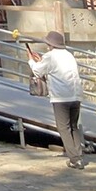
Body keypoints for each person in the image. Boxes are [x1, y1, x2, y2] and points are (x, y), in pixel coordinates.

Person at [28, 31, 86, 169]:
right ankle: (78, 153)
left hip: (61, 96)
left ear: (50, 44)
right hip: (75, 94)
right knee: (73, 126)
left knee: (63, 128)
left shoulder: (50, 56)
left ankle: (74, 159)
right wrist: (41, 60)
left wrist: (31, 60)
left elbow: (37, 71)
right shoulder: (69, 55)